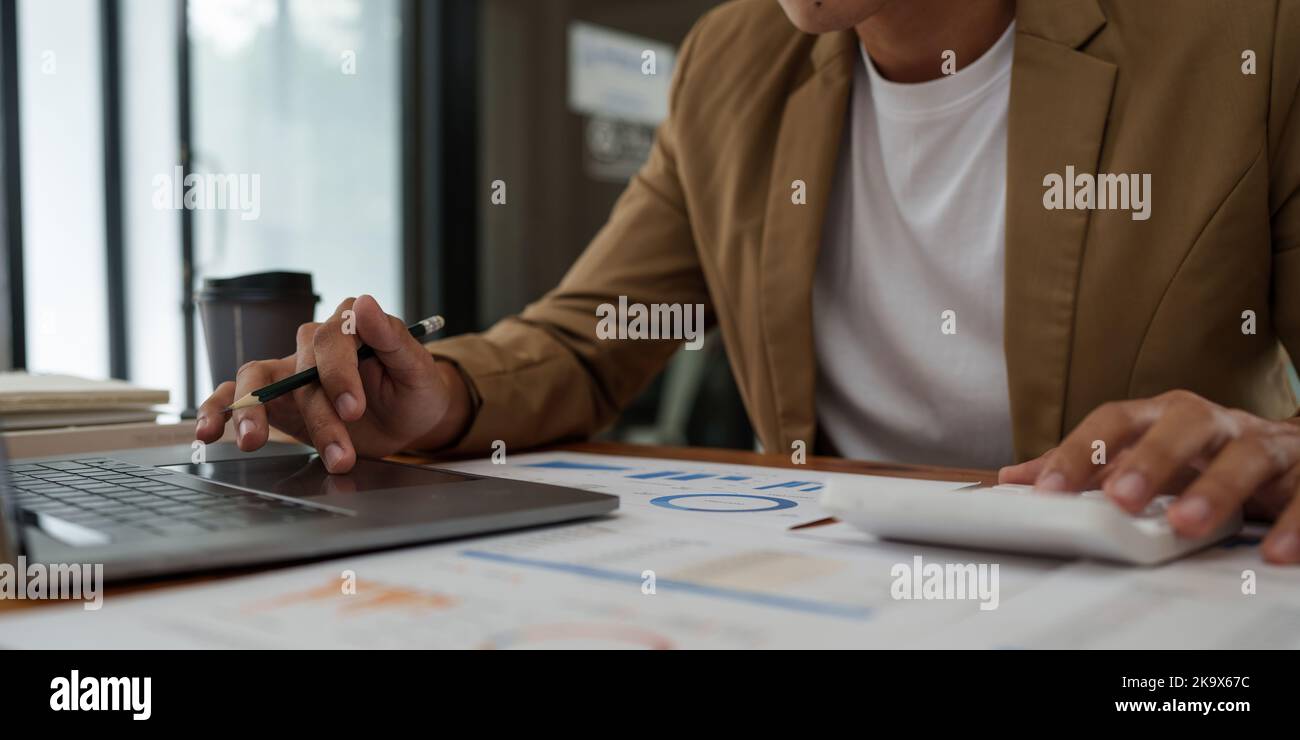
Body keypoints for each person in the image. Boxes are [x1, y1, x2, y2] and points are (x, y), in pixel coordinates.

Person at [196, 0, 1300, 563]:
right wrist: (439, 393)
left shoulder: (1247, 37)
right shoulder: (735, 61)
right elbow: (590, 339)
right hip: (841, 589)